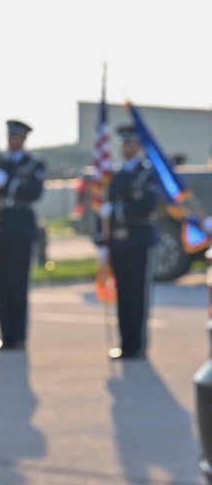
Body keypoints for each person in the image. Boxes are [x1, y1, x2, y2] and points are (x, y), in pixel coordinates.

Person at [0, 119, 47, 351]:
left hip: (20, 231)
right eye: (10, 136)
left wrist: (9, 183)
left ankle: (18, 336)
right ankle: (5, 335)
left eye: (16, 137)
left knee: (18, 286)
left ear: (24, 139)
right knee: (1, 285)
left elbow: (35, 192)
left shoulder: (34, 164)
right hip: (0, 231)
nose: (12, 141)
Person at [94, 124, 161, 359]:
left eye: (130, 142)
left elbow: (146, 205)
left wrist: (116, 211)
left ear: (139, 145)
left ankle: (138, 345)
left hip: (139, 239)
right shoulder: (115, 175)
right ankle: (125, 344)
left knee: (137, 294)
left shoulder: (147, 172)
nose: (125, 147)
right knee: (123, 294)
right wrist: (102, 241)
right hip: (119, 242)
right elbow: (102, 210)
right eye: (123, 143)